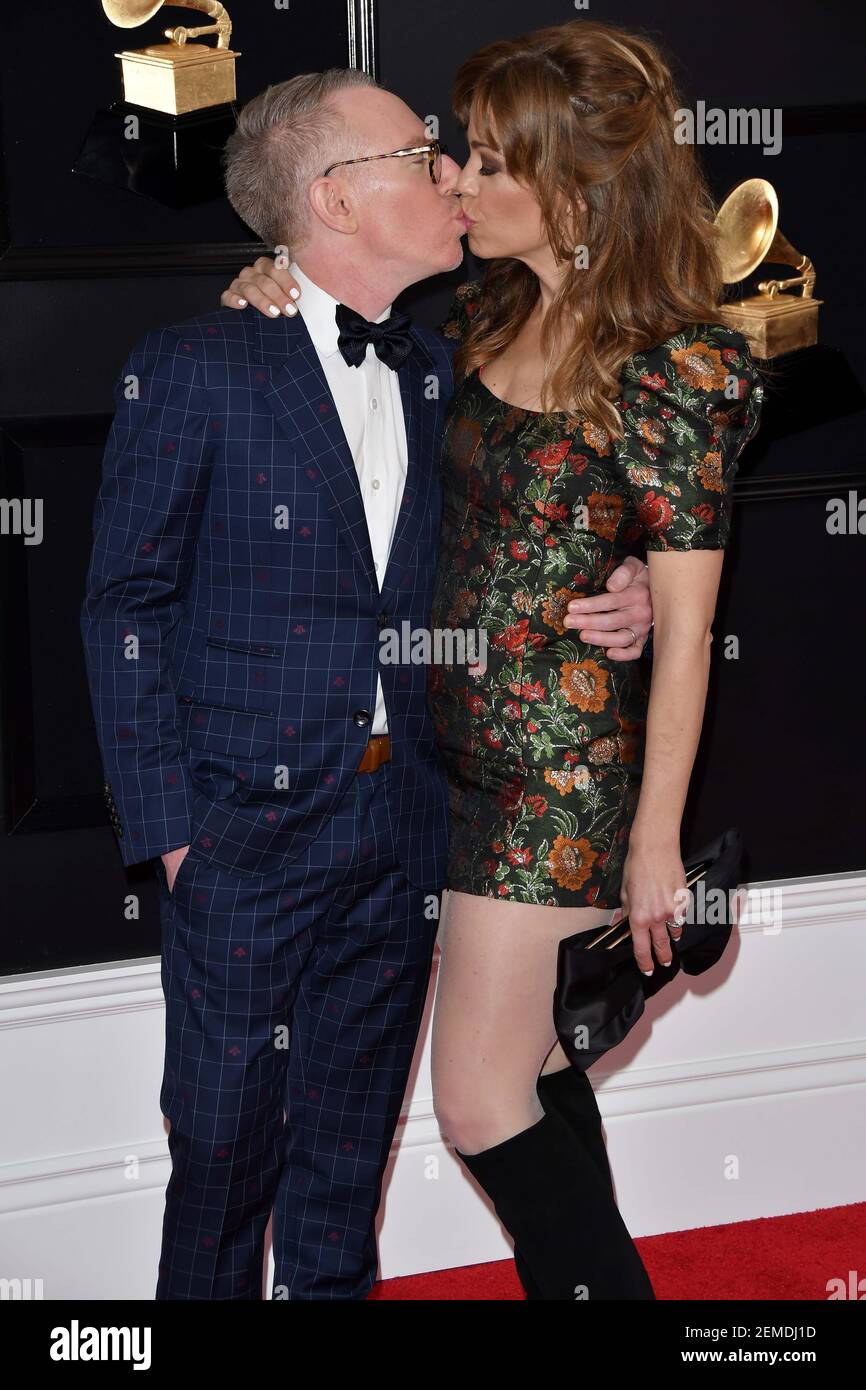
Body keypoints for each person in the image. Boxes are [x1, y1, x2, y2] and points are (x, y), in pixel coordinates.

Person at [81, 59, 652, 1300]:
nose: (448, 175)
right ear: (333, 198)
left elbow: (526, 537)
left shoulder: (450, 362)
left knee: (344, 1175)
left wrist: (631, 587)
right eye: (418, 155)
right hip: (242, 836)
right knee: (223, 1165)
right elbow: (122, 609)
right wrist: (174, 836)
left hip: (403, 831)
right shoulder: (197, 364)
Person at [219, 16, 764, 1300]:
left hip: (557, 779)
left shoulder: (673, 370)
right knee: (530, 1085)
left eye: (486, 161)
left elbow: (684, 629)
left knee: (474, 1105)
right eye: (455, 153)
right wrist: (265, 278)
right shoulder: (470, 315)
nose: (457, 178)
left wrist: (650, 843)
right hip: (444, 767)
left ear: (573, 190)